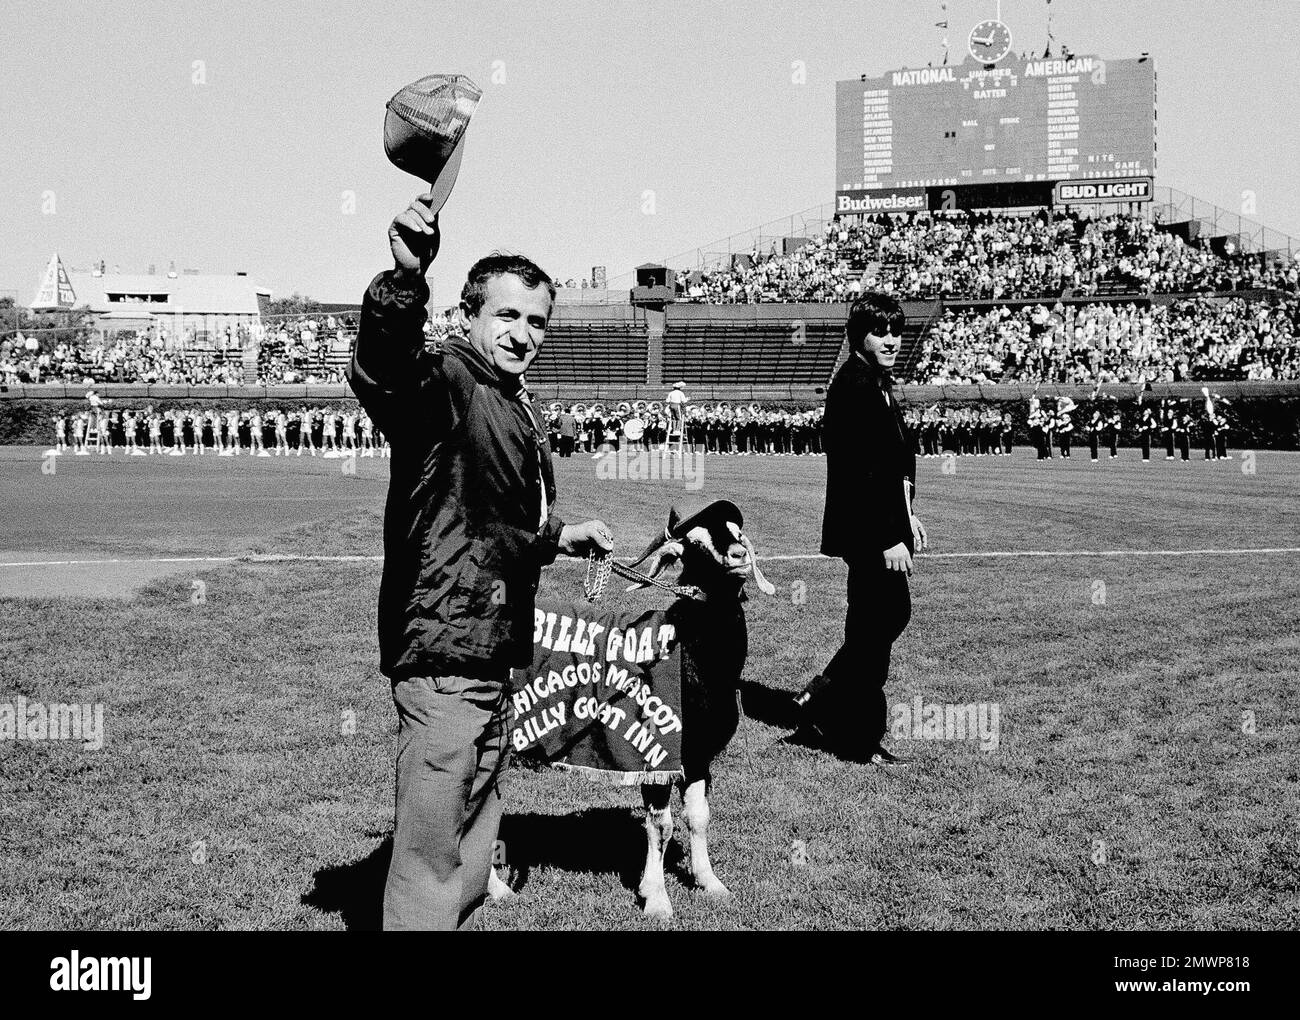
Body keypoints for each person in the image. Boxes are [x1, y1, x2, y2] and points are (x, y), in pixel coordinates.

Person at [348, 192, 613, 930]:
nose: (523, 333)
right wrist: (405, 280)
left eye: (536, 320)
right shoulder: (451, 381)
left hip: (488, 646)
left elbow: (492, 515)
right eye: (507, 315)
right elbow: (385, 369)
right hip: (443, 644)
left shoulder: (505, 398)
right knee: (433, 841)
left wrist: (559, 534)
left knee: (475, 821)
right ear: (467, 316)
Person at [795, 293, 926, 767]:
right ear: (860, 336)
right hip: (872, 532)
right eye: (880, 331)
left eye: (896, 331)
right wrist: (888, 534)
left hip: (885, 524)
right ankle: (857, 738)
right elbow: (861, 472)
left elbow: (894, 462)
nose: (891, 340)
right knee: (877, 623)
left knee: (883, 619)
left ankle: (824, 696)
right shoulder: (853, 383)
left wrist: (907, 512)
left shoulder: (875, 380)